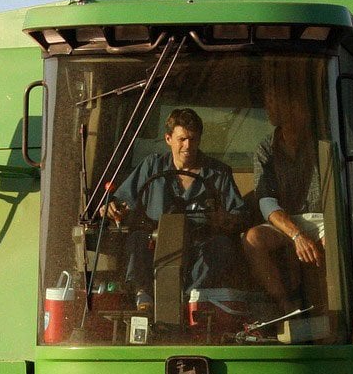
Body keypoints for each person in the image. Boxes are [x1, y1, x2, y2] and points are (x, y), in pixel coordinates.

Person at [105, 107, 247, 314]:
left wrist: (225, 219)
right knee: (136, 239)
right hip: (155, 240)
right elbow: (122, 202)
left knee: (220, 246)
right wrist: (113, 208)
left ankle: (189, 302)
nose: (188, 146)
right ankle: (144, 299)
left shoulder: (219, 172)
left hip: (199, 243)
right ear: (168, 138)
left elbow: (239, 214)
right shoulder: (152, 166)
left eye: (193, 139)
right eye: (182, 139)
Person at [242, 72, 325, 313]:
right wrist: (297, 235)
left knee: (334, 243)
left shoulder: (321, 143)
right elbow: (266, 202)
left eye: (273, 100)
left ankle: (329, 314)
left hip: (322, 219)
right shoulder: (265, 150)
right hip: (287, 223)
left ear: (294, 106)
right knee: (253, 239)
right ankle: (286, 308)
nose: (268, 106)